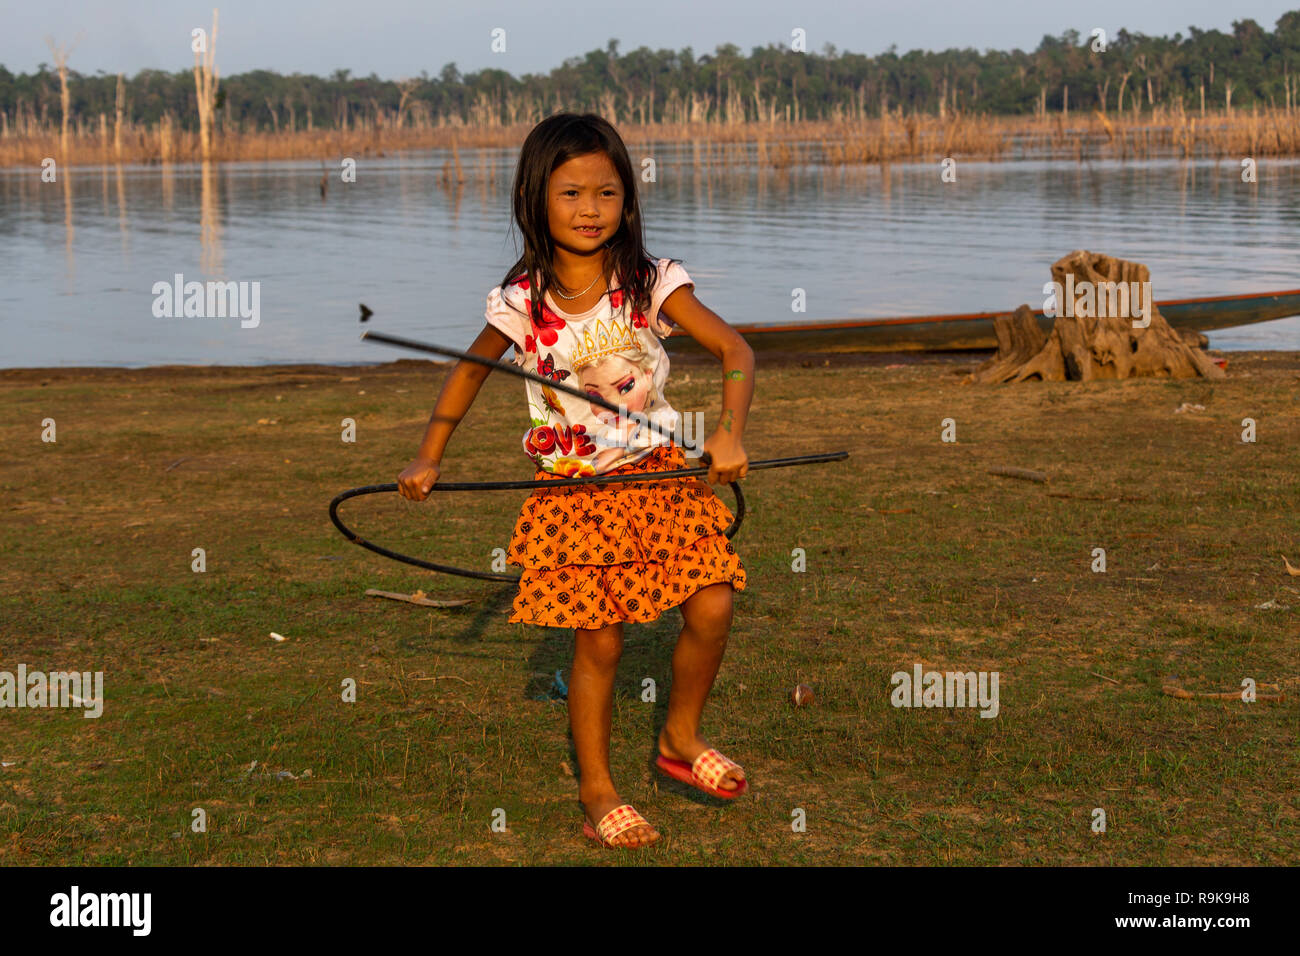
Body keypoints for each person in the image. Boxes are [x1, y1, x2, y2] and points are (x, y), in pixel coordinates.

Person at [397, 112, 755, 850]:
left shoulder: (649, 283)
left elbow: (734, 347)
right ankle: (597, 790)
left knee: (713, 603)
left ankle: (679, 740)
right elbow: (470, 373)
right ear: (536, 199)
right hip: (576, 489)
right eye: (570, 193)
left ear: (628, 200)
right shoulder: (522, 303)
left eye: (607, 192)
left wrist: (729, 430)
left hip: (659, 476)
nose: (590, 209)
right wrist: (430, 454)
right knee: (600, 643)